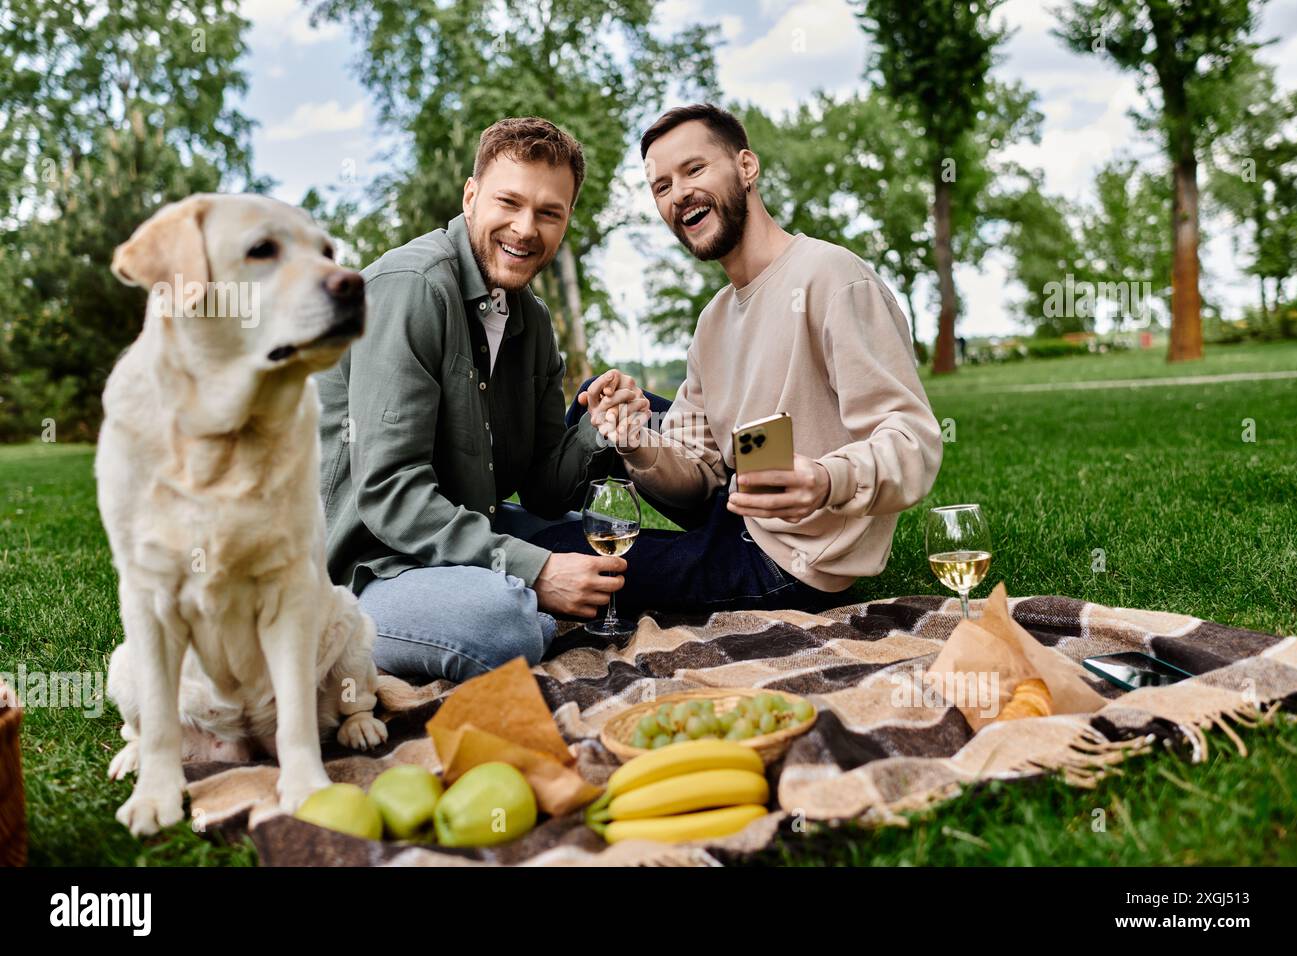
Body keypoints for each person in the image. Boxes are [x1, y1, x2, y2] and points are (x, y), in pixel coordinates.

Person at [531, 104, 943, 615]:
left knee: (548, 559)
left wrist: (825, 480)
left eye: (694, 169)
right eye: (662, 187)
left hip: (791, 561)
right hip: (744, 500)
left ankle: (527, 536)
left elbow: (913, 442)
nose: (678, 193)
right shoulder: (715, 319)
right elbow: (701, 473)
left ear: (747, 167)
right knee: (599, 401)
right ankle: (548, 513)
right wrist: (637, 441)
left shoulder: (833, 279)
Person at [316, 117, 643, 681]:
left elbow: (544, 488)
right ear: (471, 197)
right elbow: (391, 495)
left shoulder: (531, 321)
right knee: (503, 625)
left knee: (623, 560)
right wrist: (537, 573)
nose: (525, 228)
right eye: (508, 202)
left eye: (549, 212)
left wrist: (600, 423)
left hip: (456, 539)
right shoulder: (412, 289)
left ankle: (762, 568)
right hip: (354, 568)